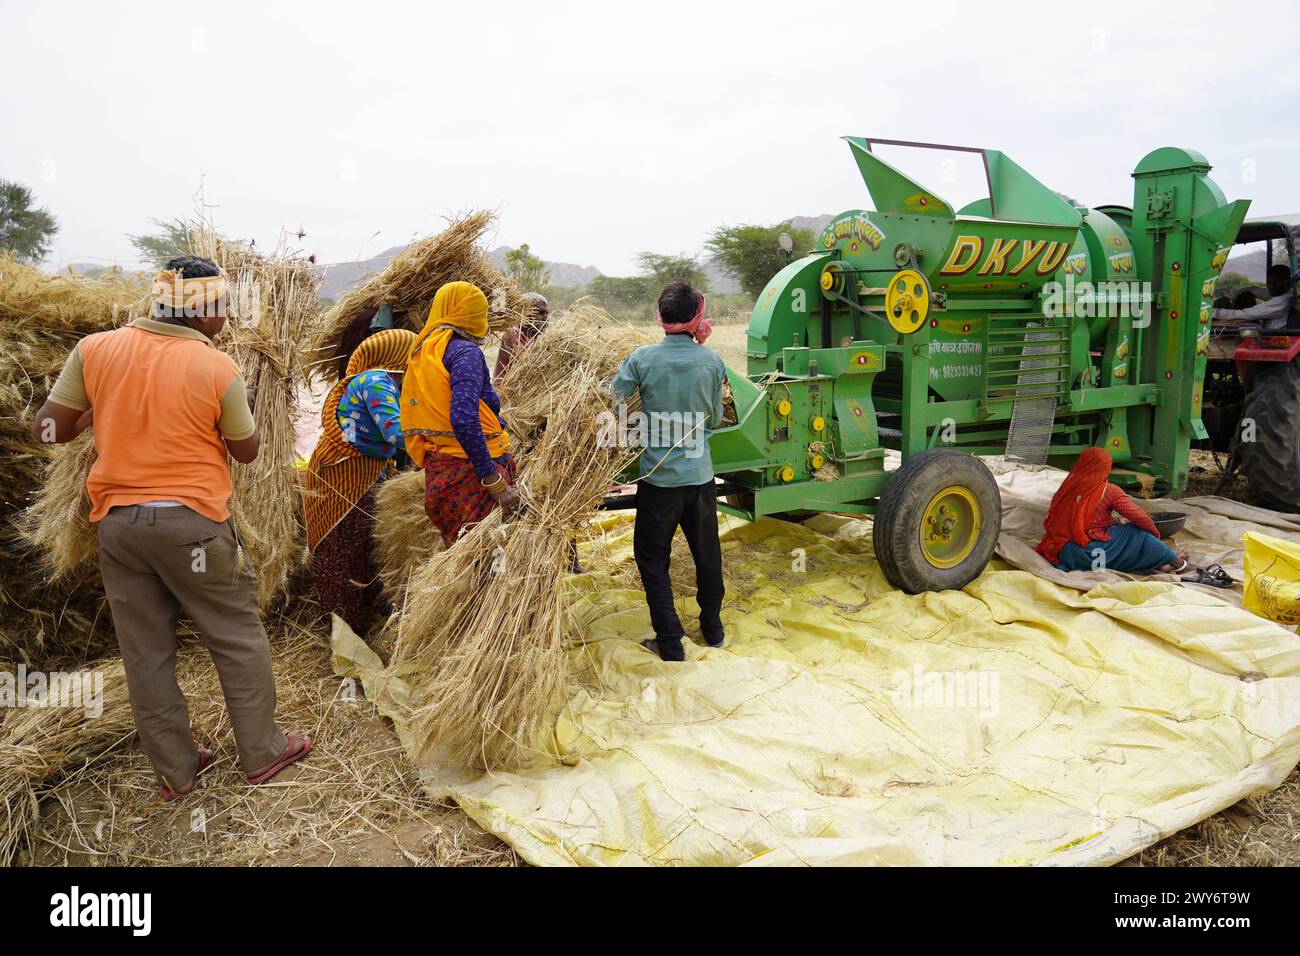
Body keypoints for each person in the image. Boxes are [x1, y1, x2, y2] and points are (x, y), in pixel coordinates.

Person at [31, 255, 311, 801]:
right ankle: (262, 751)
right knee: (235, 638)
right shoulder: (217, 367)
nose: (226, 319)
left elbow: (49, 429)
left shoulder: (94, 350)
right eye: (223, 310)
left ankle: (177, 770)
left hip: (118, 527)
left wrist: (98, 408)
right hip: (194, 527)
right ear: (203, 313)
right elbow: (247, 453)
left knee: (146, 651)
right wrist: (244, 408)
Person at [612, 279, 727, 661]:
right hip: (700, 476)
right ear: (697, 315)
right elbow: (713, 415)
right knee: (707, 554)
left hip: (659, 480)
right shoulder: (712, 360)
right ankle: (713, 629)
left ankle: (670, 640)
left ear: (660, 317)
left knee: (651, 557)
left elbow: (616, 403)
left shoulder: (641, 358)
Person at [304, 327, 416, 635]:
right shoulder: (377, 382)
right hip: (346, 476)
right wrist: (440, 449)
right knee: (344, 550)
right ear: (397, 358)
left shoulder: (370, 380)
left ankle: (351, 626)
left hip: (351, 470)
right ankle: (345, 631)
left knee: (351, 550)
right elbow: (396, 431)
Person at [401, 281, 519, 546]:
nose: (485, 318)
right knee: (488, 558)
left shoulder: (424, 351)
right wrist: (494, 481)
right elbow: (464, 419)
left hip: (441, 470)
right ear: (468, 312)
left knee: (462, 556)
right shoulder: (465, 352)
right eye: (481, 310)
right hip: (474, 475)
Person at [1034, 447, 1233, 586]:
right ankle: (1179, 565)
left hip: (1066, 552)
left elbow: (1075, 519)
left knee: (1118, 535)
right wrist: (1154, 533)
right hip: (1088, 552)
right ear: (1105, 467)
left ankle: (1160, 563)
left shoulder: (1067, 488)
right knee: (1137, 534)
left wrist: (1111, 522)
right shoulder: (1108, 490)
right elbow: (1139, 517)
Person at [1215, 265, 1295, 330]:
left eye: (1277, 282)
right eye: (1270, 282)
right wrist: (1231, 297)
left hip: (1273, 336)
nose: (1272, 286)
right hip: (1265, 329)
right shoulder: (1282, 293)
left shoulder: (1282, 300)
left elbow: (1245, 314)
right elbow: (1253, 289)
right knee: (1246, 294)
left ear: (1287, 281)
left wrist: (1211, 312)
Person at [494, 292, 550, 378]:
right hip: (507, 390)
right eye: (541, 313)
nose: (546, 318)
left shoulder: (536, 339)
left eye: (547, 313)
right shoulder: (512, 334)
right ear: (525, 313)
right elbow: (526, 366)